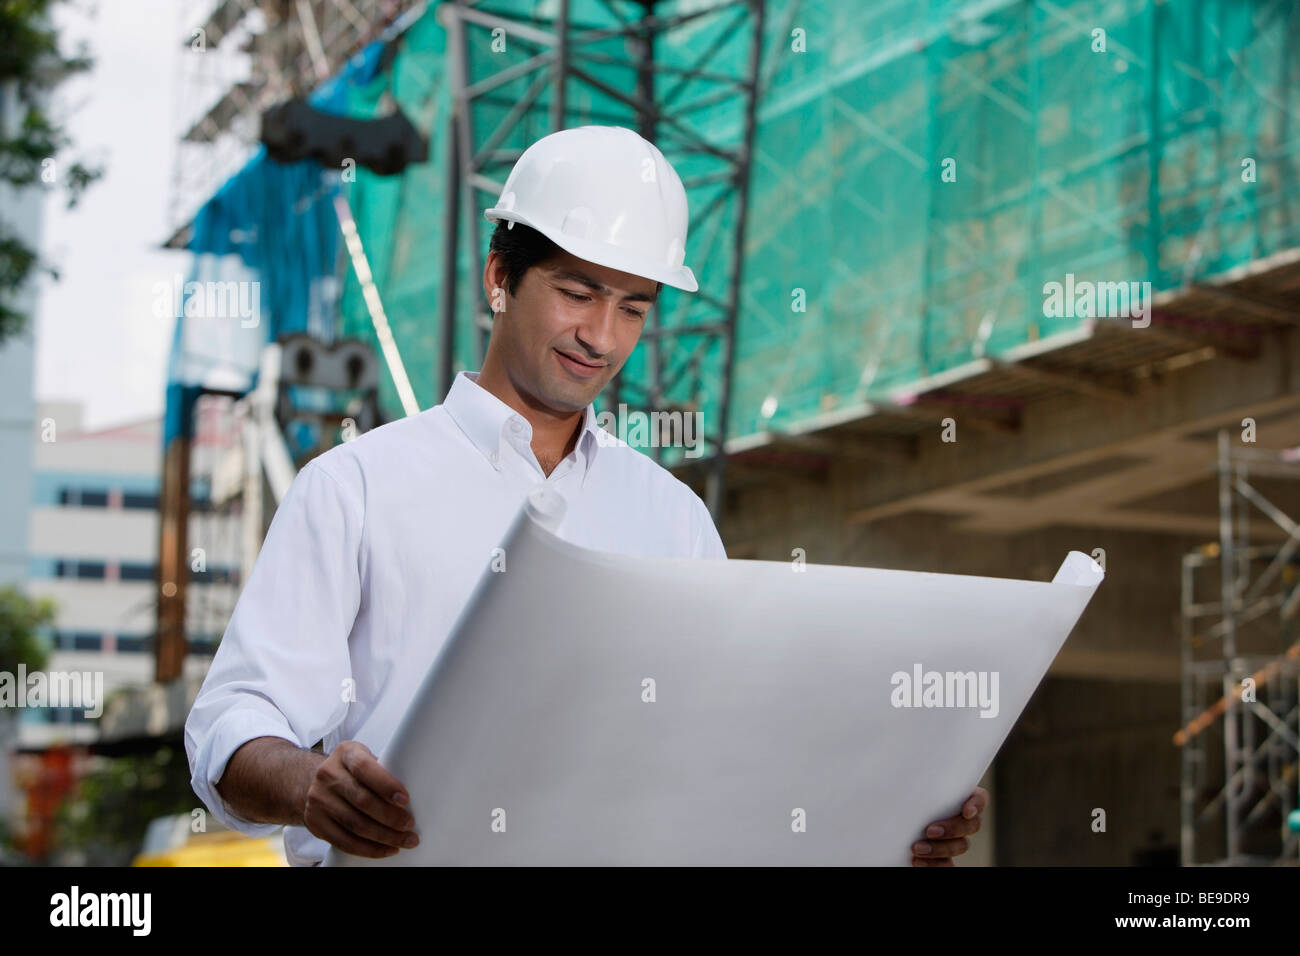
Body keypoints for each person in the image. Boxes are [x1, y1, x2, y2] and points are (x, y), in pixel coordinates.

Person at [184, 124, 987, 867]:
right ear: (501, 276)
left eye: (633, 307)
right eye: (577, 292)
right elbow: (233, 724)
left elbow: (719, 765)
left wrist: (881, 824)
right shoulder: (356, 488)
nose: (601, 337)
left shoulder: (672, 519)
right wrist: (310, 785)